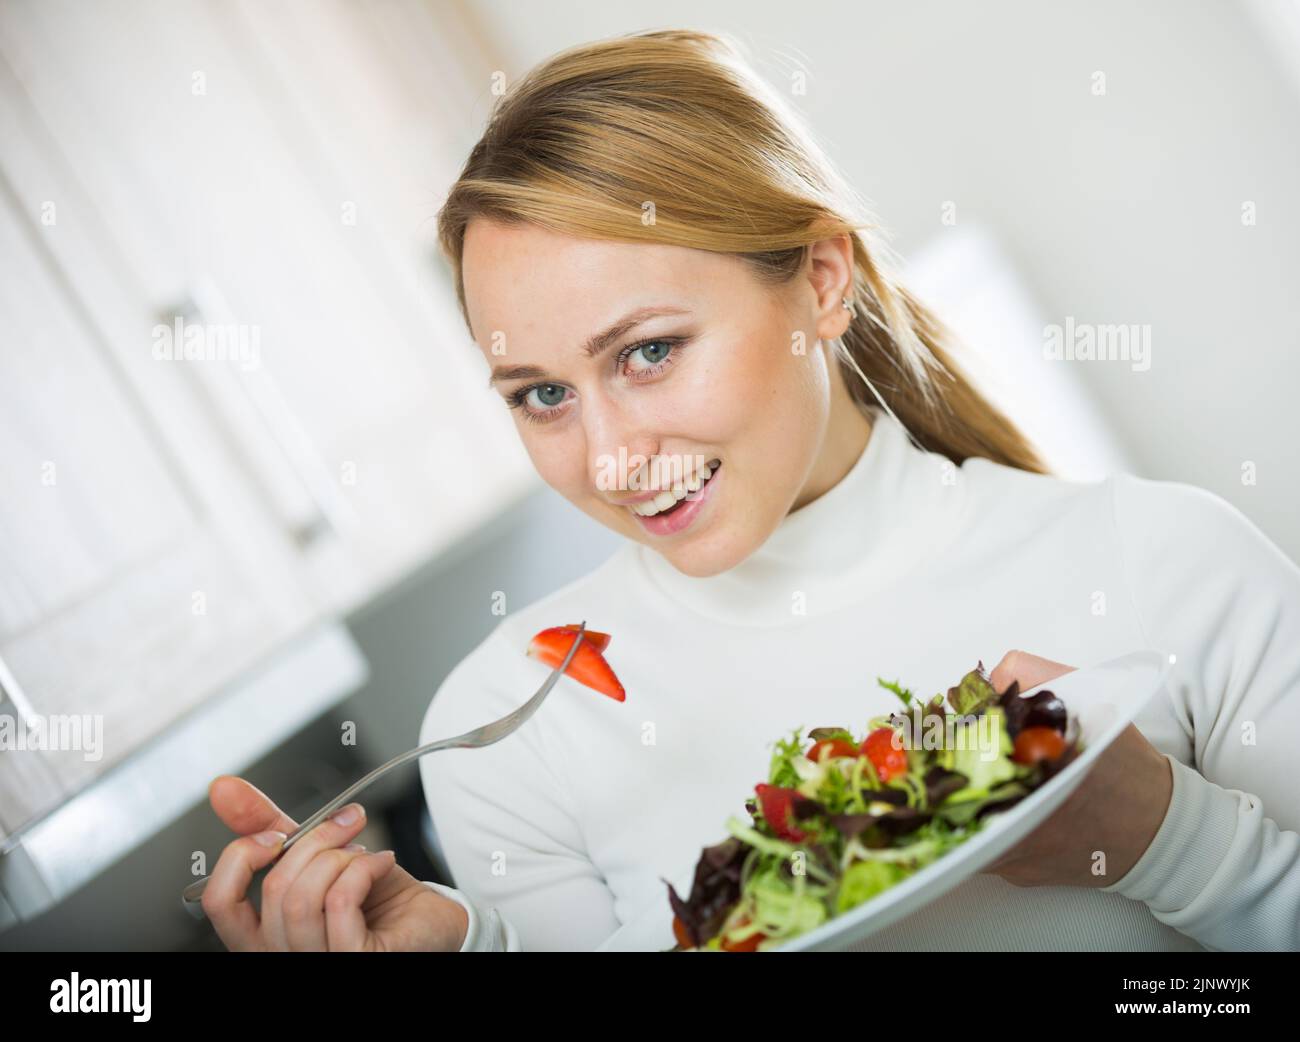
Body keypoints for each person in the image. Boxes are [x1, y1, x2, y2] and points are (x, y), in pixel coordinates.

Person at [201, 29, 1300, 952]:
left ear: (822, 282)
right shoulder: (509, 728)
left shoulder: (1166, 566)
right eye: (540, 393)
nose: (610, 456)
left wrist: (1167, 839)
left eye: (645, 352)